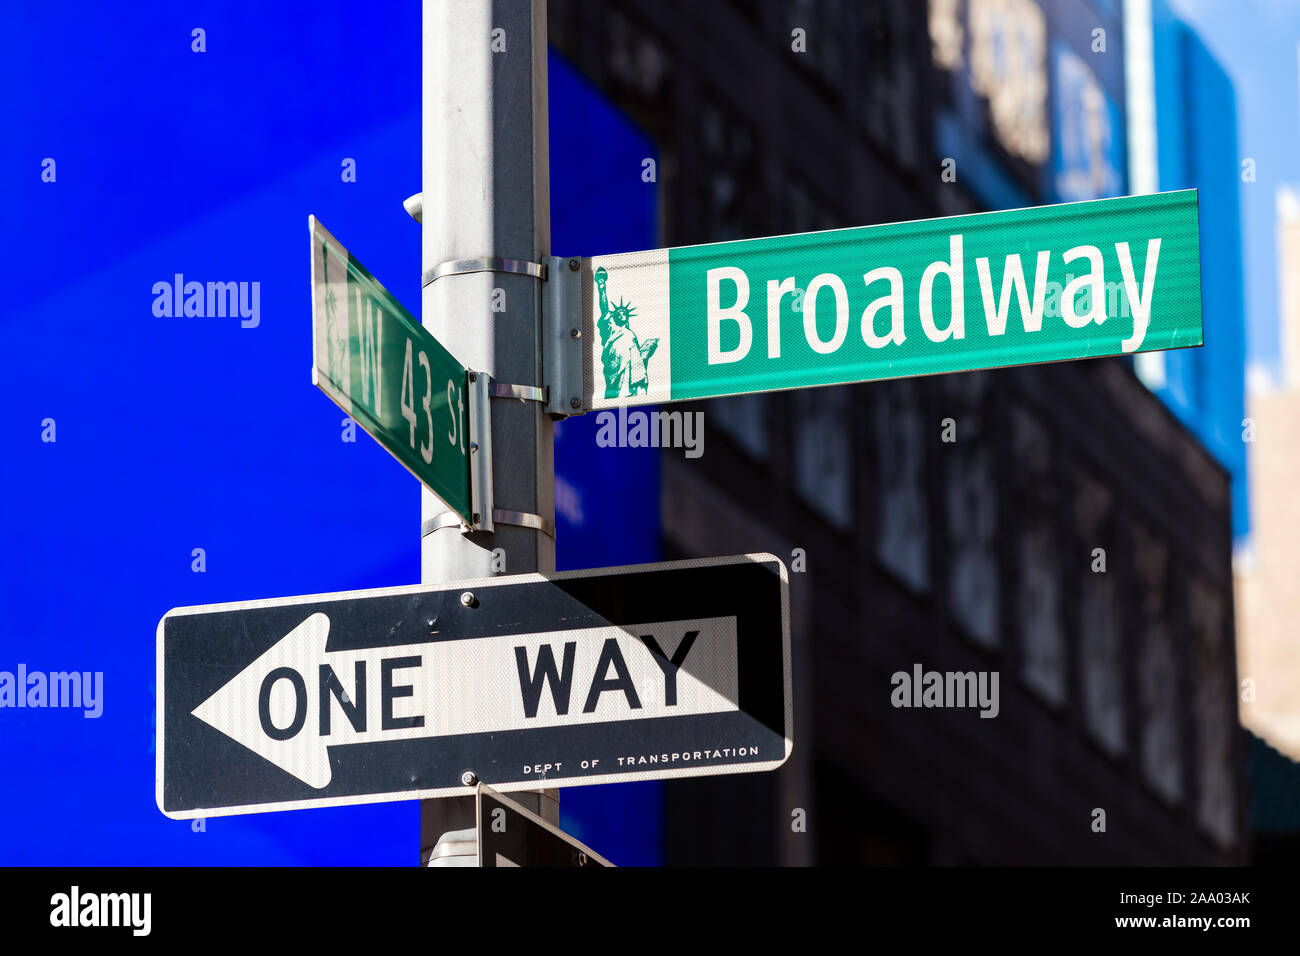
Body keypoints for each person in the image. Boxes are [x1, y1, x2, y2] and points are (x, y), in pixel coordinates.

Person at [594, 266, 658, 399]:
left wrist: (647, 349)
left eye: (624, 313)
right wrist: (602, 287)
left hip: (632, 376)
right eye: (619, 313)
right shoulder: (610, 328)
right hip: (614, 366)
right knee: (614, 394)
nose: (622, 314)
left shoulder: (631, 334)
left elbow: (638, 358)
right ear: (614, 316)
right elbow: (605, 309)